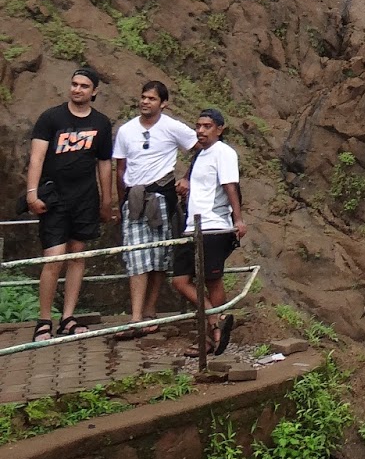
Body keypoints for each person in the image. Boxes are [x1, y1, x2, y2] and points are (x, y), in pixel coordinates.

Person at [25, 65, 114, 340]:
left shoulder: (100, 123)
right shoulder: (51, 118)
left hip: (85, 198)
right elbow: (37, 158)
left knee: (77, 257)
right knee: (54, 258)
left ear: (94, 91)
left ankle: (68, 317)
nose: (77, 89)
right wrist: (31, 192)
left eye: (84, 86)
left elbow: (104, 164)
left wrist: (106, 201)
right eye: (75, 84)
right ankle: (43, 320)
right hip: (54, 197)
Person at [112, 81, 196, 334]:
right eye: (143, 97)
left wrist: (187, 177)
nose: (145, 102)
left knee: (159, 258)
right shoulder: (126, 131)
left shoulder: (172, 127)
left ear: (163, 103)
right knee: (137, 256)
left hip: (161, 195)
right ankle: (136, 317)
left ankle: (150, 312)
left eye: (151, 98)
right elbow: (120, 169)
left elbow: (200, 148)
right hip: (135, 197)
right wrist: (120, 202)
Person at [172, 109, 246, 354]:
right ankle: (217, 320)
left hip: (214, 225)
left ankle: (211, 334)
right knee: (180, 280)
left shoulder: (224, 153)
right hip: (193, 225)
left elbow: (229, 185)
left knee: (212, 279)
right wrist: (185, 184)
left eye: (206, 126)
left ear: (219, 129)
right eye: (198, 126)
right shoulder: (199, 155)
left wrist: (238, 219)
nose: (200, 131)